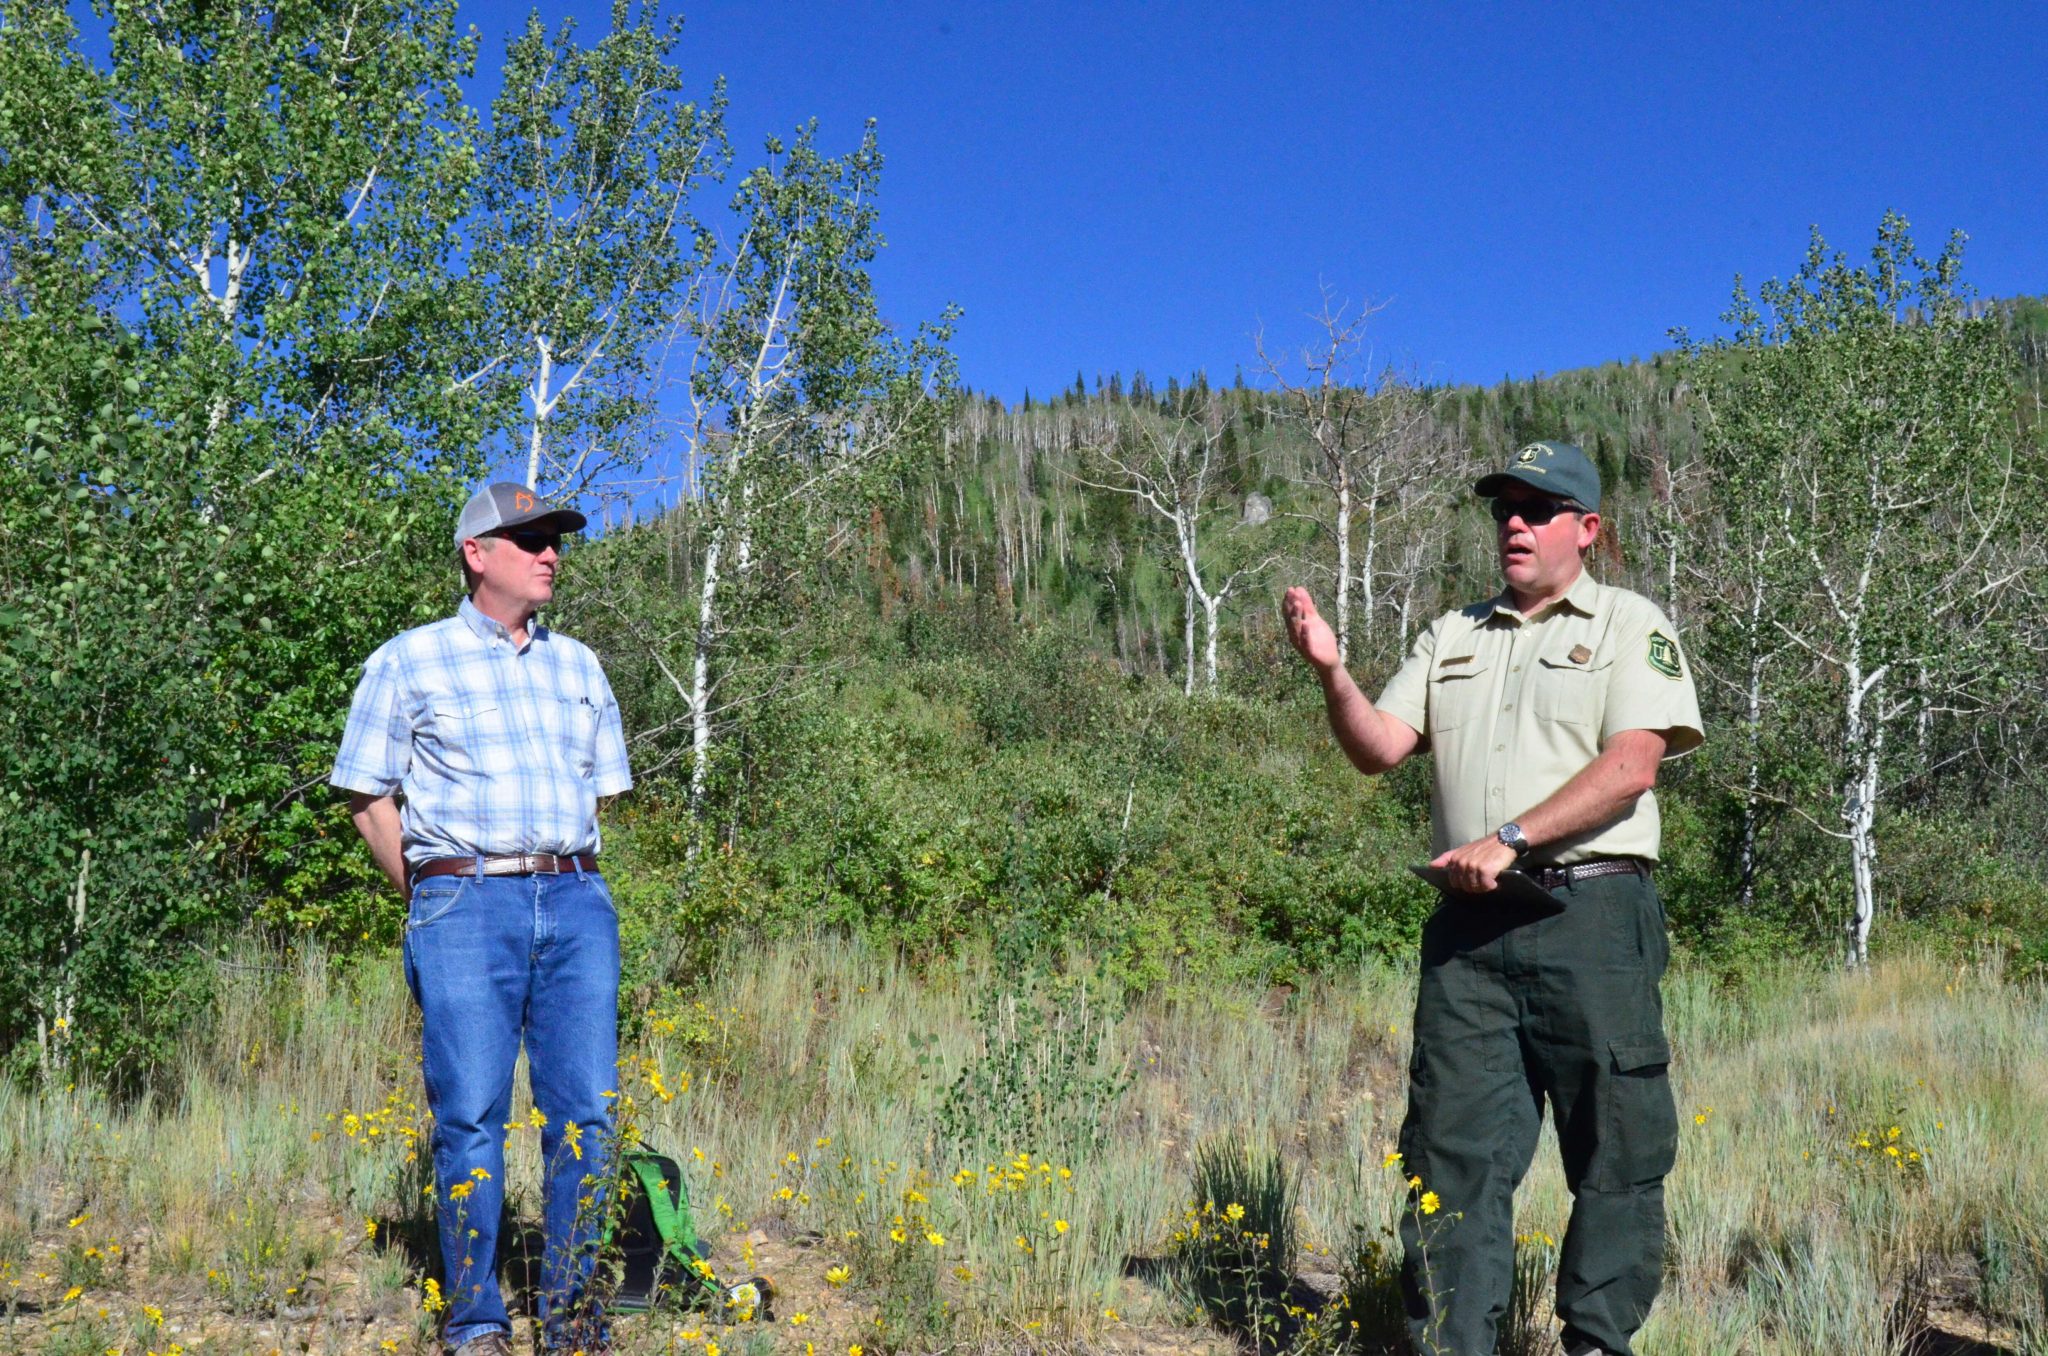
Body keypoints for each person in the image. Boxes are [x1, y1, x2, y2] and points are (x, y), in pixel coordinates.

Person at [1283, 441, 1702, 1356]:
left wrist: (1509, 837)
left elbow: (1633, 766)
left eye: (1539, 507)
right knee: (1450, 1154)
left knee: (1617, 1147)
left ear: (1587, 529)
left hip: (1591, 917)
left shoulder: (1631, 623)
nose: (1515, 522)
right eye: (1504, 507)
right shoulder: (1454, 633)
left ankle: (1594, 1341)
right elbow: (1378, 749)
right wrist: (1331, 672)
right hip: (1470, 933)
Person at [332, 482, 633, 1356]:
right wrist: (431, 892)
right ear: (477, 553)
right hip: (464, 900)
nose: (551, 554)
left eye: (556, 541)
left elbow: (598, 793)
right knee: (470, 1115)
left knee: (588, 1115)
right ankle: (475, 1320)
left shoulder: (579, 665)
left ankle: (575, 1318)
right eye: (531, 539)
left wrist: (567, 887)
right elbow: (364, 792)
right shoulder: (410, 660)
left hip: (577, 899)